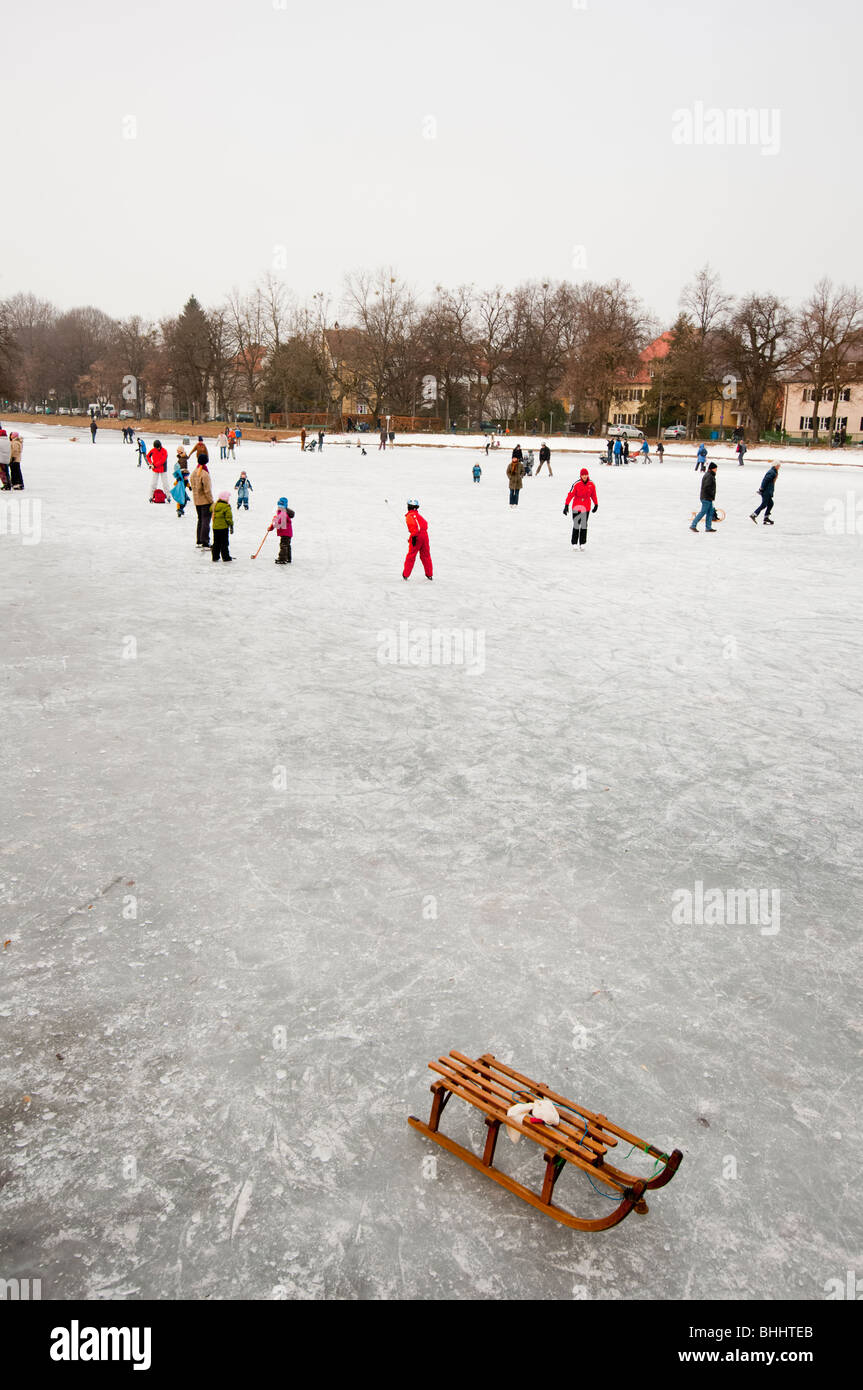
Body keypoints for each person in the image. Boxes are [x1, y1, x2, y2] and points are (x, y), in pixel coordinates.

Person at [563, 468, 598, 548]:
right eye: (583, 475)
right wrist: (566, 505)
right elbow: (570, 494)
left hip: (586, 507)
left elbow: (593, 495)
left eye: (586, 475)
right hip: (577, 506)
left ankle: (582, 543)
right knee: (576, 525)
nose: (584, 476)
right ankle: (574, 542)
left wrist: (596, 504)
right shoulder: (576, 484)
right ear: (580, 476)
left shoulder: (591, 484)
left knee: (584, 525)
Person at [402, 499, 433, 580]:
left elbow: (415, 529)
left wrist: (412, 538)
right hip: (425, 536)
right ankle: (429, 574)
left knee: (411, 556)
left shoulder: (409, 516)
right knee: (426, 555)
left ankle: (405, 574)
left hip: (416, 536)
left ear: (408, 507)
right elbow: (425, 524)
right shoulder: (418, 516)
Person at [190, 455, 214, 548]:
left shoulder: (194, 472)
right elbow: (207, 490)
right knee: (205, 521)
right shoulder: (205, 474)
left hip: (197, 501)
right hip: (205, 502)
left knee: (200, 520)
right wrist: (211, 501)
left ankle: (199, 539)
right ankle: (205, 540)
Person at [690, 462, 718, 532]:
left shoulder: (710, 475)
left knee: (710, 512)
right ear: (712, 469)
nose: (716, 470)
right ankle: (693, 525)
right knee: (703, 512)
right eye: (715, 468)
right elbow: (707, 487)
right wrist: (711, 495)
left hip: (708, 497)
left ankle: (708, 527)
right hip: (706, 497)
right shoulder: (709, 476)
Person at [268, 496, 295, 564]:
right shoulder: (282, 513)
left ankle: (282, 559)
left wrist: (274, 520)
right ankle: (288, 558)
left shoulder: (283, 514)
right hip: (287, 533)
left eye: (281, 506)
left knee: (283, 545)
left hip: (285, 533)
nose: (279, 507)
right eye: (279, 506)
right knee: (287, 545)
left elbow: (279, 525)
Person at [210, 491, 234, 562]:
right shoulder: (226, 507)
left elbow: (210, 509)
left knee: (216, 542)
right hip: (223, 528)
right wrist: (231, 525)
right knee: (224, 543)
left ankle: (215, 556)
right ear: (225, 499)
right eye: (228, 498)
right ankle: (226, 557)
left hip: (215, 527)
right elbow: (229, 518)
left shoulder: (214, 505)